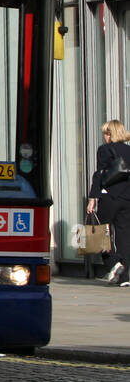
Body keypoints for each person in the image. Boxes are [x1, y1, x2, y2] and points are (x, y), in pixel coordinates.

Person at [88, 119, 130, 285]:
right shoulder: (128, 150)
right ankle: (125, 277)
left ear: (110, 134)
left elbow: (99, 174)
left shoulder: (105, 149)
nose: (104, 136)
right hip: (127, 198)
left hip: (109, 196)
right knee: (124, 237)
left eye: (106, 133)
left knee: (99, 233)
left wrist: (93, 198)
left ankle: (113, 263)